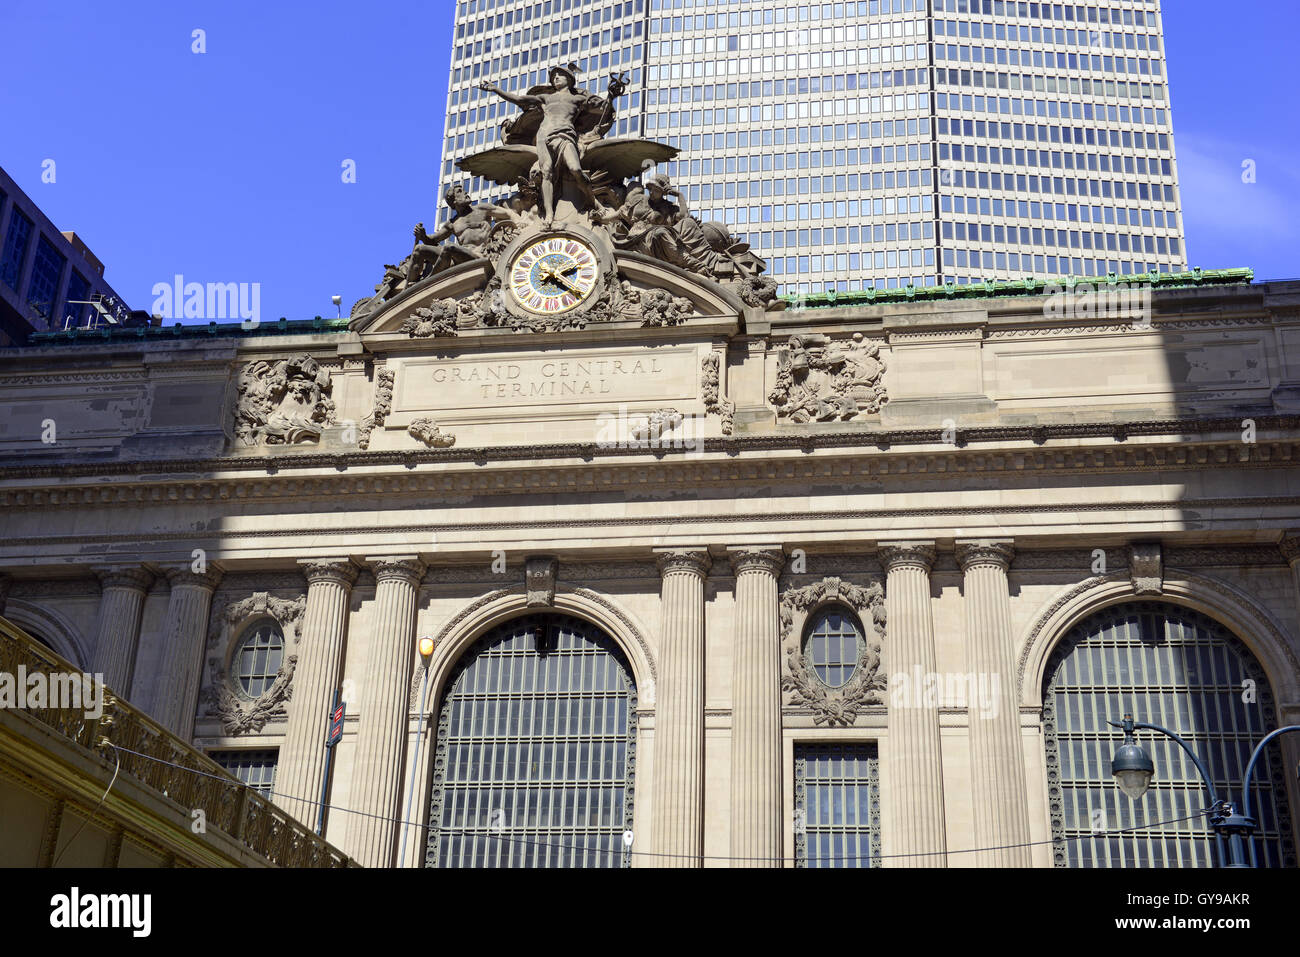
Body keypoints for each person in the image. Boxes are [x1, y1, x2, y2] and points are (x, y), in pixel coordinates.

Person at [479, 66, 616, 227]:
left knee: (575, 169)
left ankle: (593, 202)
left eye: (560, 75)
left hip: (565, 135)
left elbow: (604, 109)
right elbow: (519, 99)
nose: (556, 78)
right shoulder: (546, 98)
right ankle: (549, 214)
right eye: (554, 76)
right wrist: (496, 90)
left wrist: (612, 95)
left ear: (569, 79)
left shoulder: (578, 99)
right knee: (546, 173)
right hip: (544, 136)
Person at [406, 184, 515, 284]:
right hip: (458, 258)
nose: (466, 193)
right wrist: (422, 235)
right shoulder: (453, 223)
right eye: (460, 191)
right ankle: (410, 288)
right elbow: (433, 240)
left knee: (449, 247)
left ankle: (428, 282)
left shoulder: (482, 209)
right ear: (454, 201)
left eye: (464, 191)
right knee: (419, 249)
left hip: (479, 255)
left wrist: (520, 223)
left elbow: (509, 214)